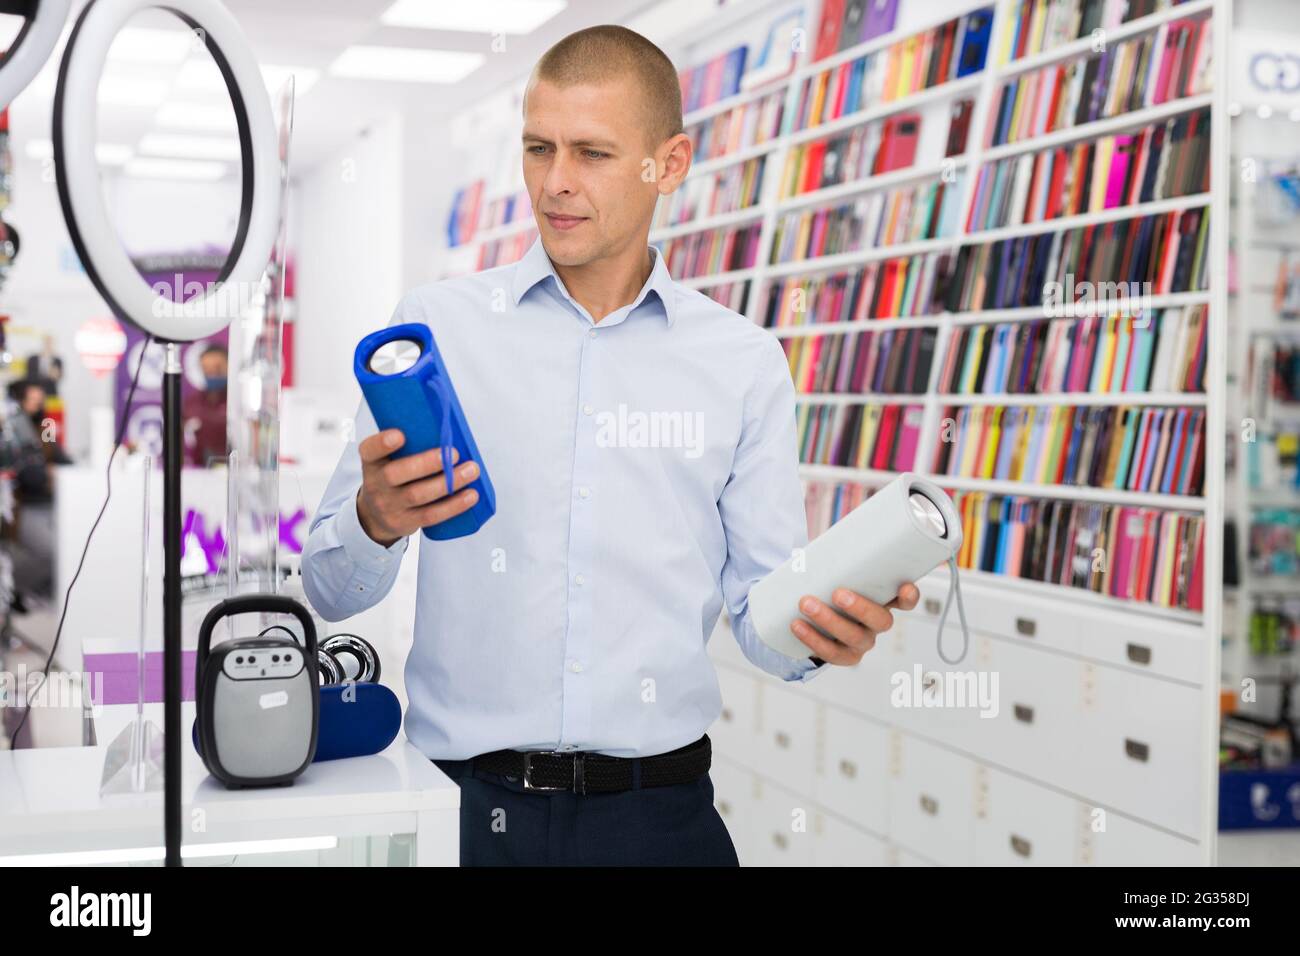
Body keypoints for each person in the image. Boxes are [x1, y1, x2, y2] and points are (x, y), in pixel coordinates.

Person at [302, 25, 921, 867]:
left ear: (668, 164)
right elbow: (328, 593)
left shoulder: (740, 363)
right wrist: (374, 519)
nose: (555, 184)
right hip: (463, 814)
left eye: (592, 152)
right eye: (538, 148)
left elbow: (763, 623)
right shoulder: (437, 328)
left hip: (659, 824)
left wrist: (819, 630)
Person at [182, 343, 228, 467]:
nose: (212, 373)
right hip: (200, 473)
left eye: (217, 368)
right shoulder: (191, 402)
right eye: (206, 369)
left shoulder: (238, 402)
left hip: (234, 472)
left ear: (229, 366)